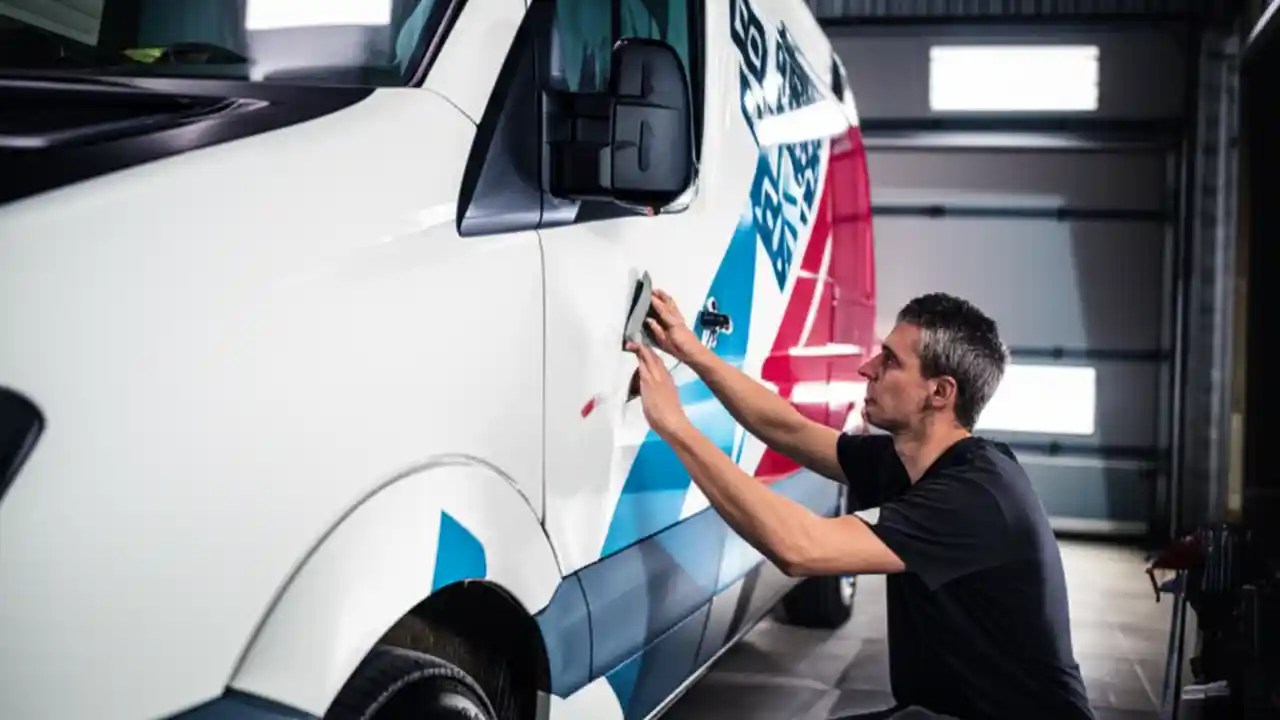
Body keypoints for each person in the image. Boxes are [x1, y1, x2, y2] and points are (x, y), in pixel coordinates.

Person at [625, 290, 1094, 720]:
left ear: (940, 392)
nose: (867, 368)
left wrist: (676, 428)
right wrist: (692, 351)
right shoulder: (912, 459)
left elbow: (800, 548)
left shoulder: (977, 498)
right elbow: (788, 429)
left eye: (890, 360)